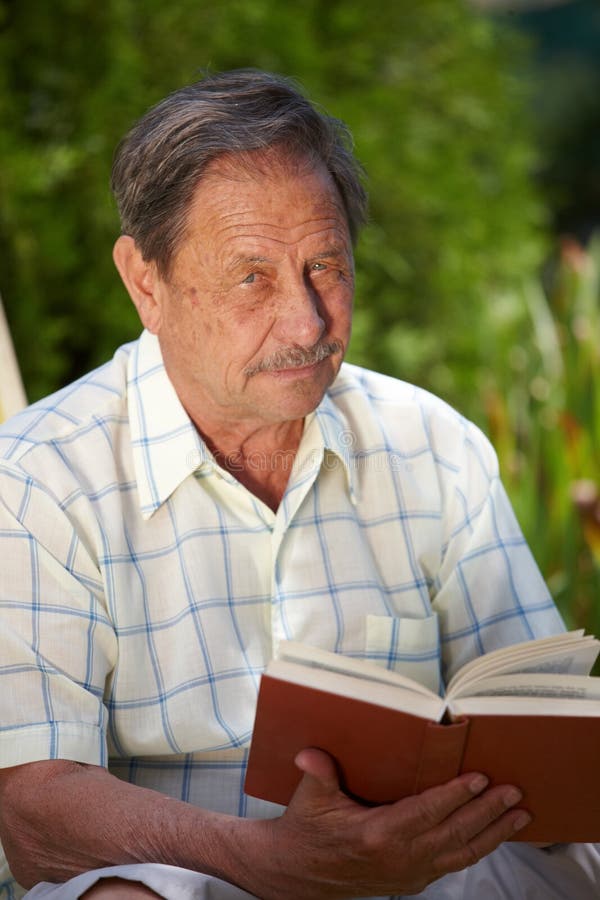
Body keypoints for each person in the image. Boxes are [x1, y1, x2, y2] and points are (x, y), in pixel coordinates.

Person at [0, 69, 598, 900]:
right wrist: (270, 861)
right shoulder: (36, 479)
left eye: (326, 266)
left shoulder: (432, 446)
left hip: (429, 872)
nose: (308, 322)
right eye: (253, 277)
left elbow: (547, 726)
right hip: (195, 880)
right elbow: (34, 808)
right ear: (145, 283)